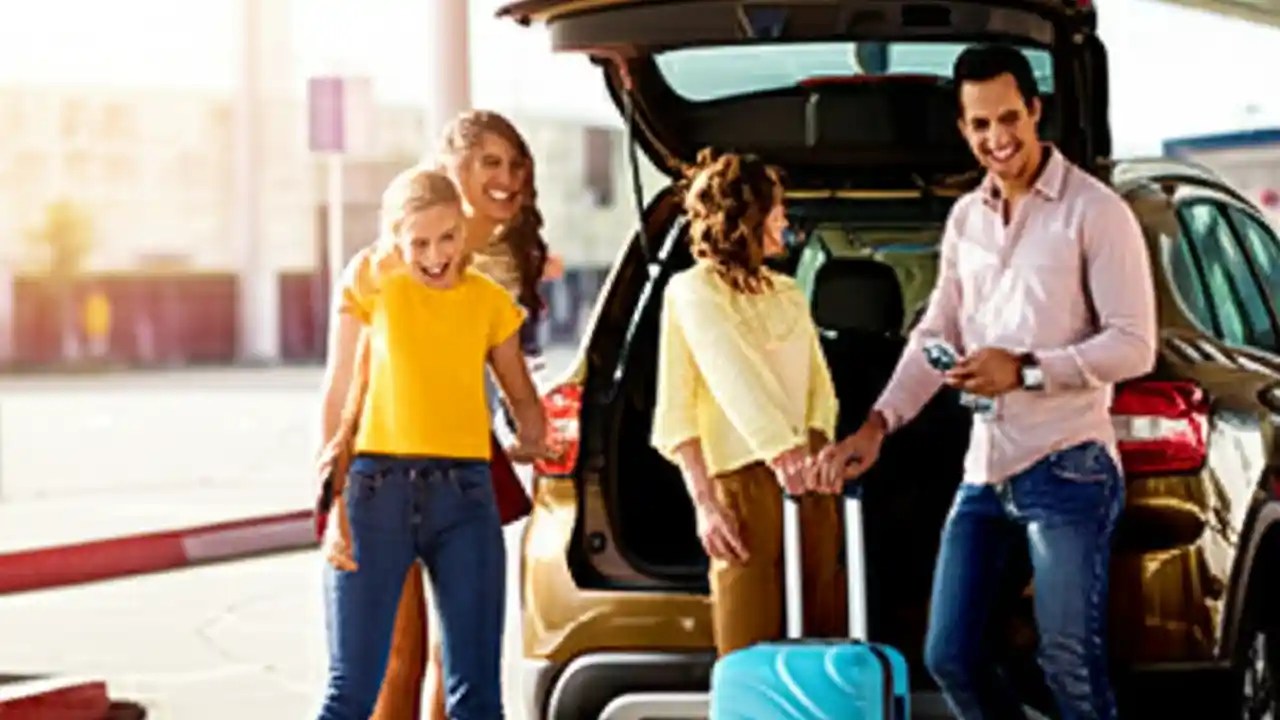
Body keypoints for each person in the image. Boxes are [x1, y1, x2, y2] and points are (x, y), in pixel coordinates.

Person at [814, 44, 1157, 720]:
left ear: (1035, 111)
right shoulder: (966, 219)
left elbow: (1135, 344)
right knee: (951, 656)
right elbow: (935, 334)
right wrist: (877, 425)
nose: (997, 140)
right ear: (964, 128)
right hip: (985, 472)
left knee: (1069, 663)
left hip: (1070, 471)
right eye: (979, 126)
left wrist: (1025, 369)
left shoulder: (1094, 212)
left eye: (1008, 119)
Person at [315, 166, 549, 720]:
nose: (437, 254)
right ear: (395, 241)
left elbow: (521, 395)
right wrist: (331, 506)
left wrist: (532, 435)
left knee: (477, 697)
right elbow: (337, 389)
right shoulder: (372, 281)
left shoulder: (488, 302)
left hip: (465, 502)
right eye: (418, 243)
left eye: (448, 237)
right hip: (375, 494)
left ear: (463, 230)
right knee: (352, 689)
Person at [650, 148, 845, 657]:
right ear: (749, 214)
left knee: (821, 638)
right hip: (743, 485)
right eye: (776, 207)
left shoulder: (787, 292)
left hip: (810, 478)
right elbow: (710, 384)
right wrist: (706, 503)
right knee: (749, 647)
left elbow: (819, 386)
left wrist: (819, 446)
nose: (784, 218)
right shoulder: (693, 291)